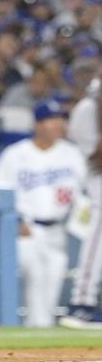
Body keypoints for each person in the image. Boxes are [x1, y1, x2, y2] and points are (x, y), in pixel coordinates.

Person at [0, 100, 87, 327]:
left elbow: (84, 193)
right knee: (35, 278)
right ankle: (36, 329)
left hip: (60, 230)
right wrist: (14, 221)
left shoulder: (72, 154)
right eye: (51, 120)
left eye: (59, 120)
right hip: (26, 230)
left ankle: (39, 334)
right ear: (38, 124)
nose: (57, 125)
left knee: (53, 284)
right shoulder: (15, 154)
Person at [61, 80, 102, 328]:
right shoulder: (88, 108)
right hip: (92, 181)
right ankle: (81, 304)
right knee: (96, 239)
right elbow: (95, 155)